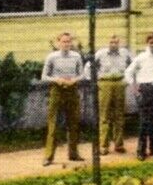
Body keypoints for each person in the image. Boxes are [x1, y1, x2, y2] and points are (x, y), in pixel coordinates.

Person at [42, 32, 86, 165]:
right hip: (57, 90)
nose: (66, 44)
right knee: (53, 124)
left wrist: (74, 80)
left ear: (71, 43)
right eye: (63, 42)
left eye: (68, 42)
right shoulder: (52, 57)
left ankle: (73, 154)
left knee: (74, 123)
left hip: (72, 90)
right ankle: (49, 156)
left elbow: (82, 74)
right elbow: (44, 76)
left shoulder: (76, 56)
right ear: (58, 43)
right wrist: (57, 80)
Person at [125, 31, 153, 160]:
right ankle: (141, 150)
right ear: (147, 44)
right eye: (151, 42)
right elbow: (128, 72)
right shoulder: (141, 57)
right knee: (144, 122)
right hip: (145, 89)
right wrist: (134, 87)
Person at [95, 33, 132, 154]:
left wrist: (127, 80)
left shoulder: (125, 53)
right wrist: (97, 82)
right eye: (111, 42)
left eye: (116, 42)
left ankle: (119, 144)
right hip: (105, 83)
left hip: (119, 83)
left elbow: (132, 67)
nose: (114, 45)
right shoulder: (101, 54)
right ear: (108, 43)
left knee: (119, 115)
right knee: (104, 115)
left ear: (119, 43)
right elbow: (90, 67)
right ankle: (103, 145)